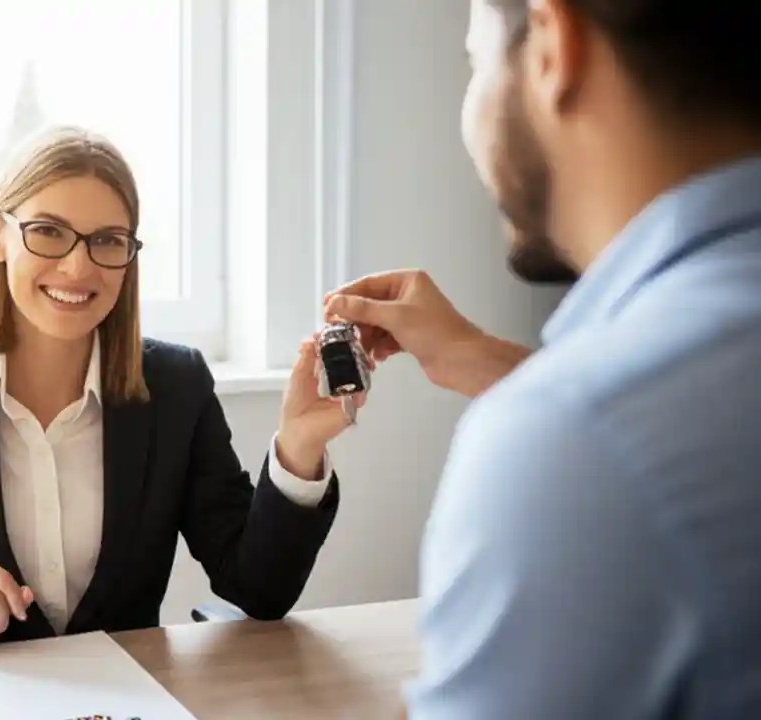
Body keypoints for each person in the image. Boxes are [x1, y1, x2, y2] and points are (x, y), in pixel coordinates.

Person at [325, 1, 761, 717]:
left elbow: (618, 451)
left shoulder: (571, 439)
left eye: (475, 61)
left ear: (553, 46)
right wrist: (485, 362)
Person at [0, 126, 362, 656]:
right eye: (47, 231)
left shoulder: (174, 388)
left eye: (107, 241)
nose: (77, 266)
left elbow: (257, 589)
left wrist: (298, 446)